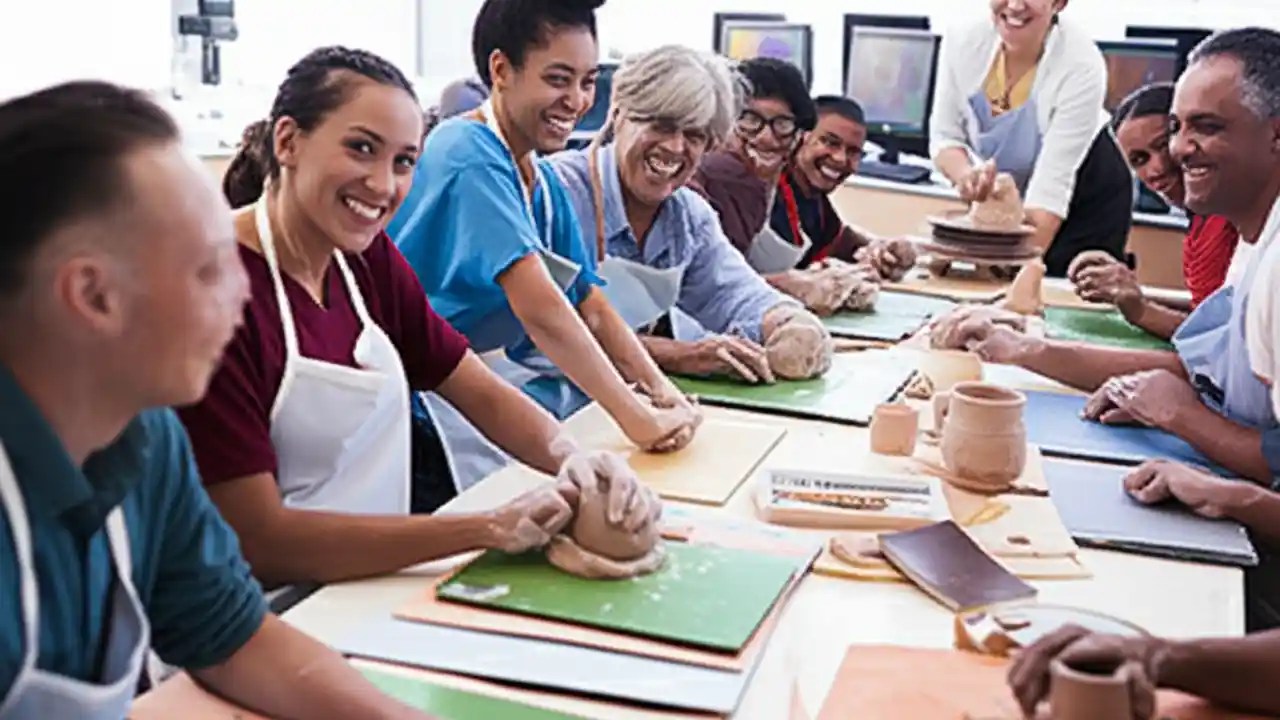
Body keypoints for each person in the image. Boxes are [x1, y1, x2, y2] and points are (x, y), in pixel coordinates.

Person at [0, 80, 434, 719]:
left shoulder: (145, 437)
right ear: (93, 296)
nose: (240, 295)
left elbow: (233, 636)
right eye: (208, 271)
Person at [178, 46, 657, 592]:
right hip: (263, 611)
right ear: (287, 141)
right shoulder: (215, 299)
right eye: (361, 149)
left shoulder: (366, 259)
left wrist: (575, 459)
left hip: (369, 583)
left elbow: (471, 385)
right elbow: (260, 541)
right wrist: (486, 528)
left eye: (404, 162)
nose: (383, 186)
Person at [946, 28, 1280, 488]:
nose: (1179, 151)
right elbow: (1205, 367)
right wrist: (1024, 349)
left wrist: (1183, 418)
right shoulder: (1255, 243)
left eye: (1208, 127)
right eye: (1178, 128)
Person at [388, 0, 701, 486]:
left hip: (473, 394)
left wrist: (664, 395)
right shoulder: (467, 153)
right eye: (558, 79)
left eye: (587, 81)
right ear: (501, 70)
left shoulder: (542, 182)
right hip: (416, 413)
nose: (577, 100)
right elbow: (542, 308)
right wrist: (637, 419)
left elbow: (591, 304)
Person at [548, 45, 830, 384]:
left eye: (695, 135)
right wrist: (678, 355)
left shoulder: (688, 218)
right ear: (619, 114)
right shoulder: (553, 194)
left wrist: (787, 322)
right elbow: (548, 332)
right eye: (661, 125)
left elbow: (735, 294)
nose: (675, 147)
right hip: (531, 405)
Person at [689, 60, 912, 316]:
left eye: (782, 125)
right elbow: (701, 291)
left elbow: (838, 237)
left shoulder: (791, 192)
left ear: (796, 134)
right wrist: (794, 286)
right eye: (749, 120)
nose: (766, 137)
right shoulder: (707, 185)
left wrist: (882, 249)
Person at [929, 0, 1134, 276]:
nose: (1014, 5)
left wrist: (1010, 279)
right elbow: (945, 136)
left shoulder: (1081, 64)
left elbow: (1051, 190)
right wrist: (967, 176)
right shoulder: (962, 40)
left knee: (1052, 295)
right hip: (1016, 189)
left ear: (1059, 3)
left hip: (1085, 191)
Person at [1068, 82, 1243, 340]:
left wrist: (1141, 310)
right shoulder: (1202, 222)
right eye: (1139, 160)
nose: (1157, 168)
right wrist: (1122, 289)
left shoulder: (1232, 219)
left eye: (1163, 145)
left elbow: (1224, 343)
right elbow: (1205, 309)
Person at [768, 95, 917, 281]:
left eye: (853, 152)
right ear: (800, 137)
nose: (840, 158)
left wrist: (884, 250)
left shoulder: (815, 202)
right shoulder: (766, 192)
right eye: (830, 142)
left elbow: (841, 240)